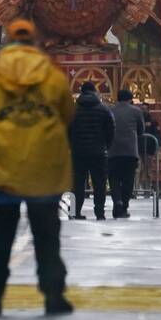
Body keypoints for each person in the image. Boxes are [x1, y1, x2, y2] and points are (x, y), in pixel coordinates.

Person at [0, 19, 74, 316]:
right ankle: (53, 296)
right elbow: (66, 113)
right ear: (35, 41)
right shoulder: (51, 74)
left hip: (0, 164)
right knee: (47, 236)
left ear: (8, 42)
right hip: (43, 166)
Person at [69, 81, 115, 219]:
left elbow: (66, 129)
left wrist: (71, 145)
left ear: (81, 93)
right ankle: (99, 213)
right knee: (99, 184)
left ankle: (74, 212)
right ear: (95, 92)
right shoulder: (104, 110)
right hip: (98, 152)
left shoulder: (72, 110)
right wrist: (106, 145)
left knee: (76, 183)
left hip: (78, 152)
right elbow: (111, 130)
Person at [108, 88, 145, 218]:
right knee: (128, 180)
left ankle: (117, 201)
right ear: (130, 99)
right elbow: (141, 130)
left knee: (114, 178)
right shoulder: (136, 111)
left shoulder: (110, 111)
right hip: (130, 151)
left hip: (113, 150)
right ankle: (123, 206)